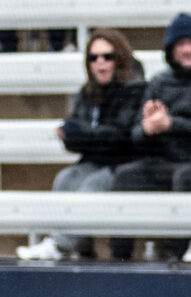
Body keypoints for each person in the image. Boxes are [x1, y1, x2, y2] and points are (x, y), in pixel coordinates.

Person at [116, 14, 191, 259]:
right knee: (126, 175)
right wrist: (149, 128)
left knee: (186, 175)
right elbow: (136, 134)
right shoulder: (159, 81)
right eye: (181, 44)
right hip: (166, 157)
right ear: (171, 49)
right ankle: (119, 256)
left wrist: (170, 124)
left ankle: (177, 256)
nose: (187, 49)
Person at [31, 29, 146, 261]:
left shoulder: (135, 90)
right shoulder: (88, 92)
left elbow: (122, 136)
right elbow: (77, 135)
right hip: (94, 160)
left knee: (93, 185)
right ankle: (81, 251)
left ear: (119, 58)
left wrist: (83, 134)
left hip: (124, 164)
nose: (100, 63)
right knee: (65, 179)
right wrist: (73, 135)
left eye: (107, 57)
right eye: (94, 58)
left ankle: (59, 245)